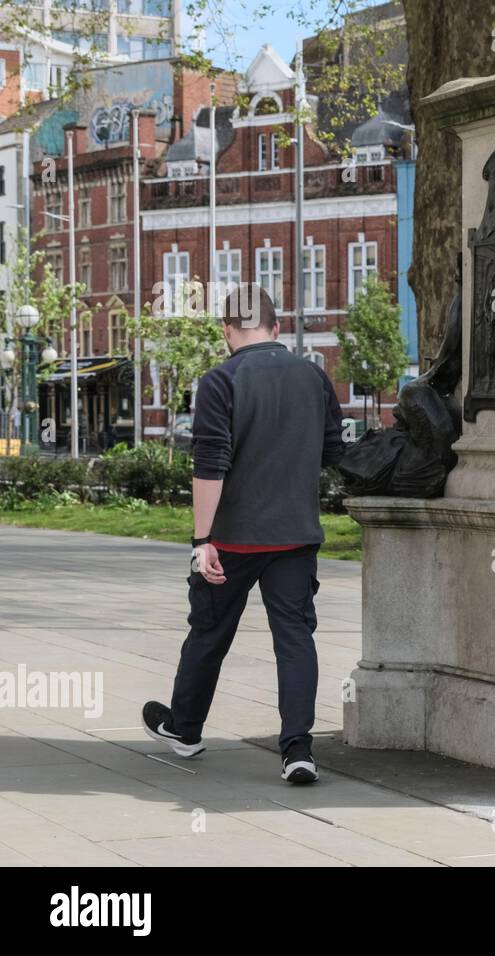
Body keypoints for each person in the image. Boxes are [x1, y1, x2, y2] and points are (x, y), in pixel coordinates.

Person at [143, 285, 344, 783]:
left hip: (232, 540)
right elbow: (332, 452)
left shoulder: (220, 380)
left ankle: (185, 730)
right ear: (277, 328)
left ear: (227, 331)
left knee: (209, 632)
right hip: (296, 536)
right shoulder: (314, 377)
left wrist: (201, 541)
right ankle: (298, 750)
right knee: (295, 639)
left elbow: (210, 464)